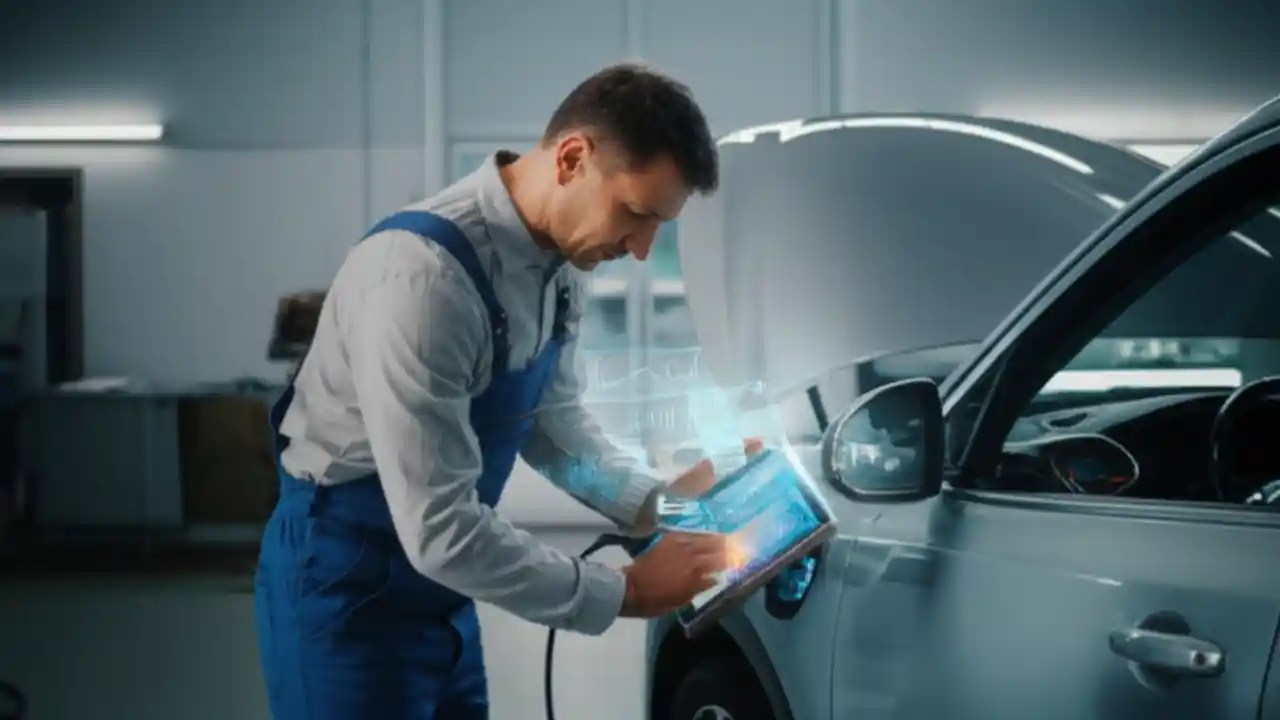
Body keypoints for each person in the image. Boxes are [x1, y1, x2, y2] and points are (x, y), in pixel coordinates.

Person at [254, 62, 738, 719]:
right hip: (345, 585)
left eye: (659, 225)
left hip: (440, 591)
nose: (643, 248)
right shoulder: (423, 279)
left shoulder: (559, 268)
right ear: (572, 158)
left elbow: (554, 429)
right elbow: (440, 529)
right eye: (635, 213)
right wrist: (625, 591)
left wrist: (660, 504)